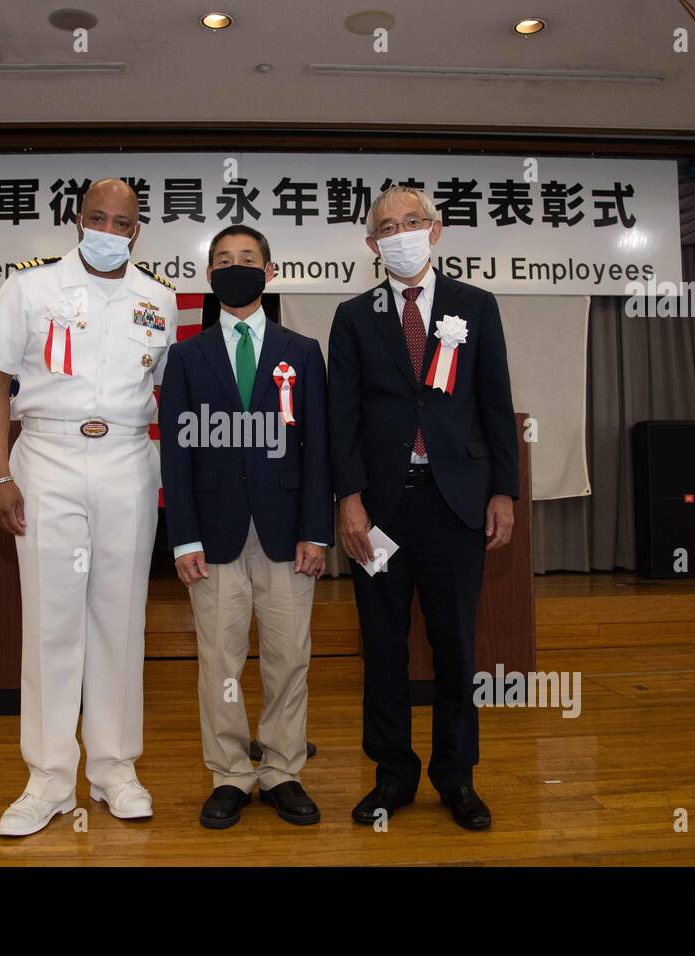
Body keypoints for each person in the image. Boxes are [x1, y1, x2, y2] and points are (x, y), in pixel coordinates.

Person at [0, 179, 178, 837]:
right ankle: (49, 778)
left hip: (126, 462)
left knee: (120, 618)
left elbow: (167, 392)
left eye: (123, 222)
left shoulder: (159, 298)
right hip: (48, 461)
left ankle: (115, 768)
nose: (109, 231)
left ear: (137, 230)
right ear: (76, 220)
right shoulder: (29, 289)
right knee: (52, 621)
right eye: (97, 218)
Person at [327, 185, 519, 830]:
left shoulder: (477, 306)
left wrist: (503, 490)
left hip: (455, 505)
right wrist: (348, 500)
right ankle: (392, 775)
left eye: (412, 221)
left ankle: (456, 777)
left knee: (454, 648)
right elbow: (341, 418)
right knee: (382, 649)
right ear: (371, 243)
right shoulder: (355, 316)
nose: (400, 233)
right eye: (387, 226)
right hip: (379, 515)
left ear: (435, 231)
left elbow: (495, 403)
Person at [158, 224, 331, 829]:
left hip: (288, 536)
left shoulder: (302, 351)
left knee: (288, 659)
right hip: (213, 536)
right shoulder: (185, 356)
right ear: (210, 277)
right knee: (221, 664)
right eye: (224, 260)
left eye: (248, 259)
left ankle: (283, 770)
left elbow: (318, 449)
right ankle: (230, 773)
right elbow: (176, 456)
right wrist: (183, 536)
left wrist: (318, 530)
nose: (236, 268)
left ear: (269, 271)